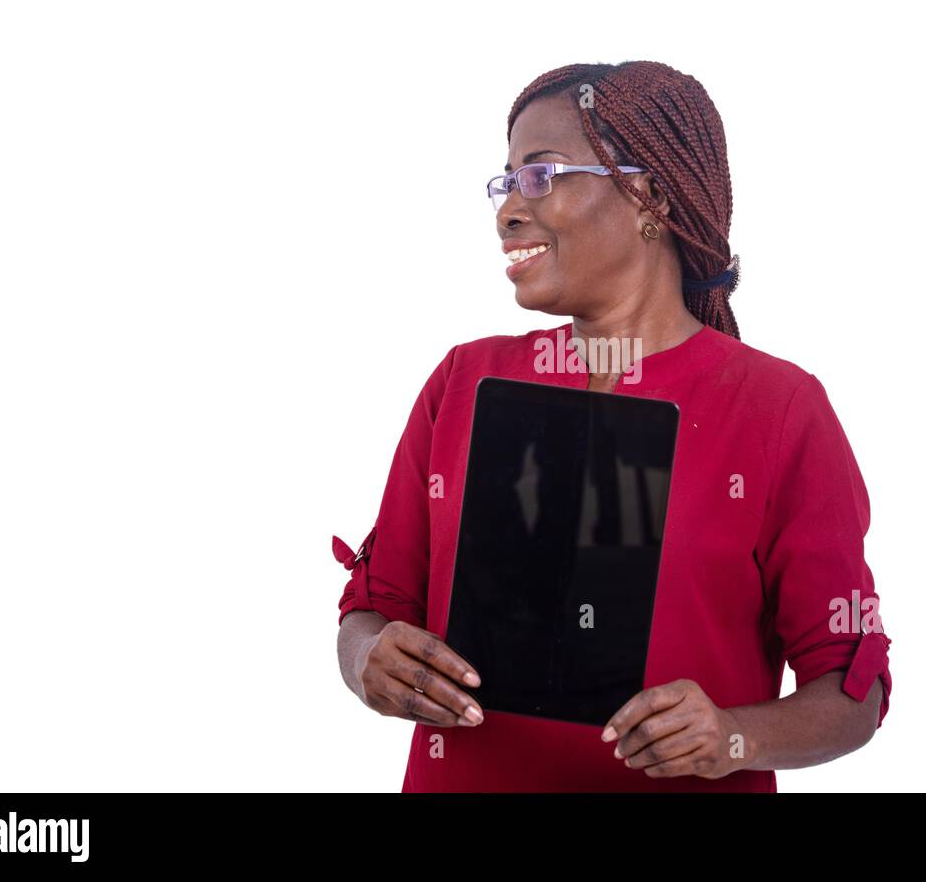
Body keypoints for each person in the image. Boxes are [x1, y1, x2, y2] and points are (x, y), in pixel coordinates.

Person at [334, 61, 892, 792]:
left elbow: (852, 689)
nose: (506, 209)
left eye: (541, 175)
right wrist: (371, 658)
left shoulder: (777, 408)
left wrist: (732, 734)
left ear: (648, 193)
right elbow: (372, 613)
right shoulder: (463, 383)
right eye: (505, 182)